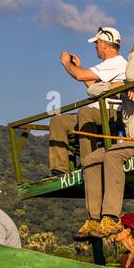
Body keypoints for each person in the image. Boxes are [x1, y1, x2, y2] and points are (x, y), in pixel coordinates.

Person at [75, 41, 134, 239]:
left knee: (112, 154)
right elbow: (92, 91)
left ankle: (110, 217)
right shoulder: (129, 82)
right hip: (133, 142)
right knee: (90, 160)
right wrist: (119, 85)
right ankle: (94, 219)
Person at [48, 26, 128, 175]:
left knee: (86, 113)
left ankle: (88, 164)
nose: (96, 47)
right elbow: (93, 87)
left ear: (105, 44)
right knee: (59, 121)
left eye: (97, 43)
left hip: (111, 113)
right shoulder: (109, 66)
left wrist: (67, 63)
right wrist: (79, 67)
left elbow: (80, 76)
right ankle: (59, 169)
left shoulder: (116, 63)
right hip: (100, 111)